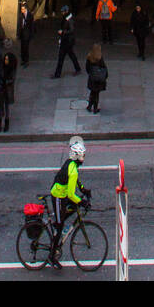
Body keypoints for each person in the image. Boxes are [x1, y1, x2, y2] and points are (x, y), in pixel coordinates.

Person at [49, 136, 89, 268]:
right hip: (58, 196)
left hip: (62, 193)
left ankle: (58, 222)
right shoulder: (73, 170)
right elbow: (71, 194)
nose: (84, 158)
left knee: (72, 207)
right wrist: (82, 202)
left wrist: (83, 189)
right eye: (83, 156)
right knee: (60, 226)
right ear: (78, 156)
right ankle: (52, 257)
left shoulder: (71, 163)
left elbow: (76, 181)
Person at [51, 6, 81, 78]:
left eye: (63, 12)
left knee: (62, 57)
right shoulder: (67, 18)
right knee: (71, 55)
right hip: (66, 41)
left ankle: (57, 74)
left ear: (66, 11)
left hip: (67, 41)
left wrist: (63, 32)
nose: (62, 13)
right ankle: (77, 68)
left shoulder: (69, 20)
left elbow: (71, 30)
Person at [0, 39, 18, 133]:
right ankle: (4, 123)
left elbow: (1, 71)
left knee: (3, 105)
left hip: (4, 85)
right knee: (4, 105)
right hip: (6, 85)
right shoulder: (12, 57)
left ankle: (2, 124)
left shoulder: (4, 57)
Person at [85, 43, 108, 113]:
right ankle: (95, 108)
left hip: (92, 78)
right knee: (96, 94)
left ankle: (89, 106)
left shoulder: (89, 57)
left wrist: (91, 73)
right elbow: (104, 68)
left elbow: (87, 68)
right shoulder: (100, 58)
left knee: (92, 92)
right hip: (98, 79)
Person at [17, 2, 35, 67]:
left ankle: (26, 61)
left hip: (27, 34)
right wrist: (18, 34)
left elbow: (32, 25)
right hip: (22, 34)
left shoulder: (30, 15)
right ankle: (23, 60)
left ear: (26, 9)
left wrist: (31, 34)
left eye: (23, 9)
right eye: (21, 9)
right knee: (22, 48)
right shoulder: (21, 15)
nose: (22, 11)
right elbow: (19, 25)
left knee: (26, 47)